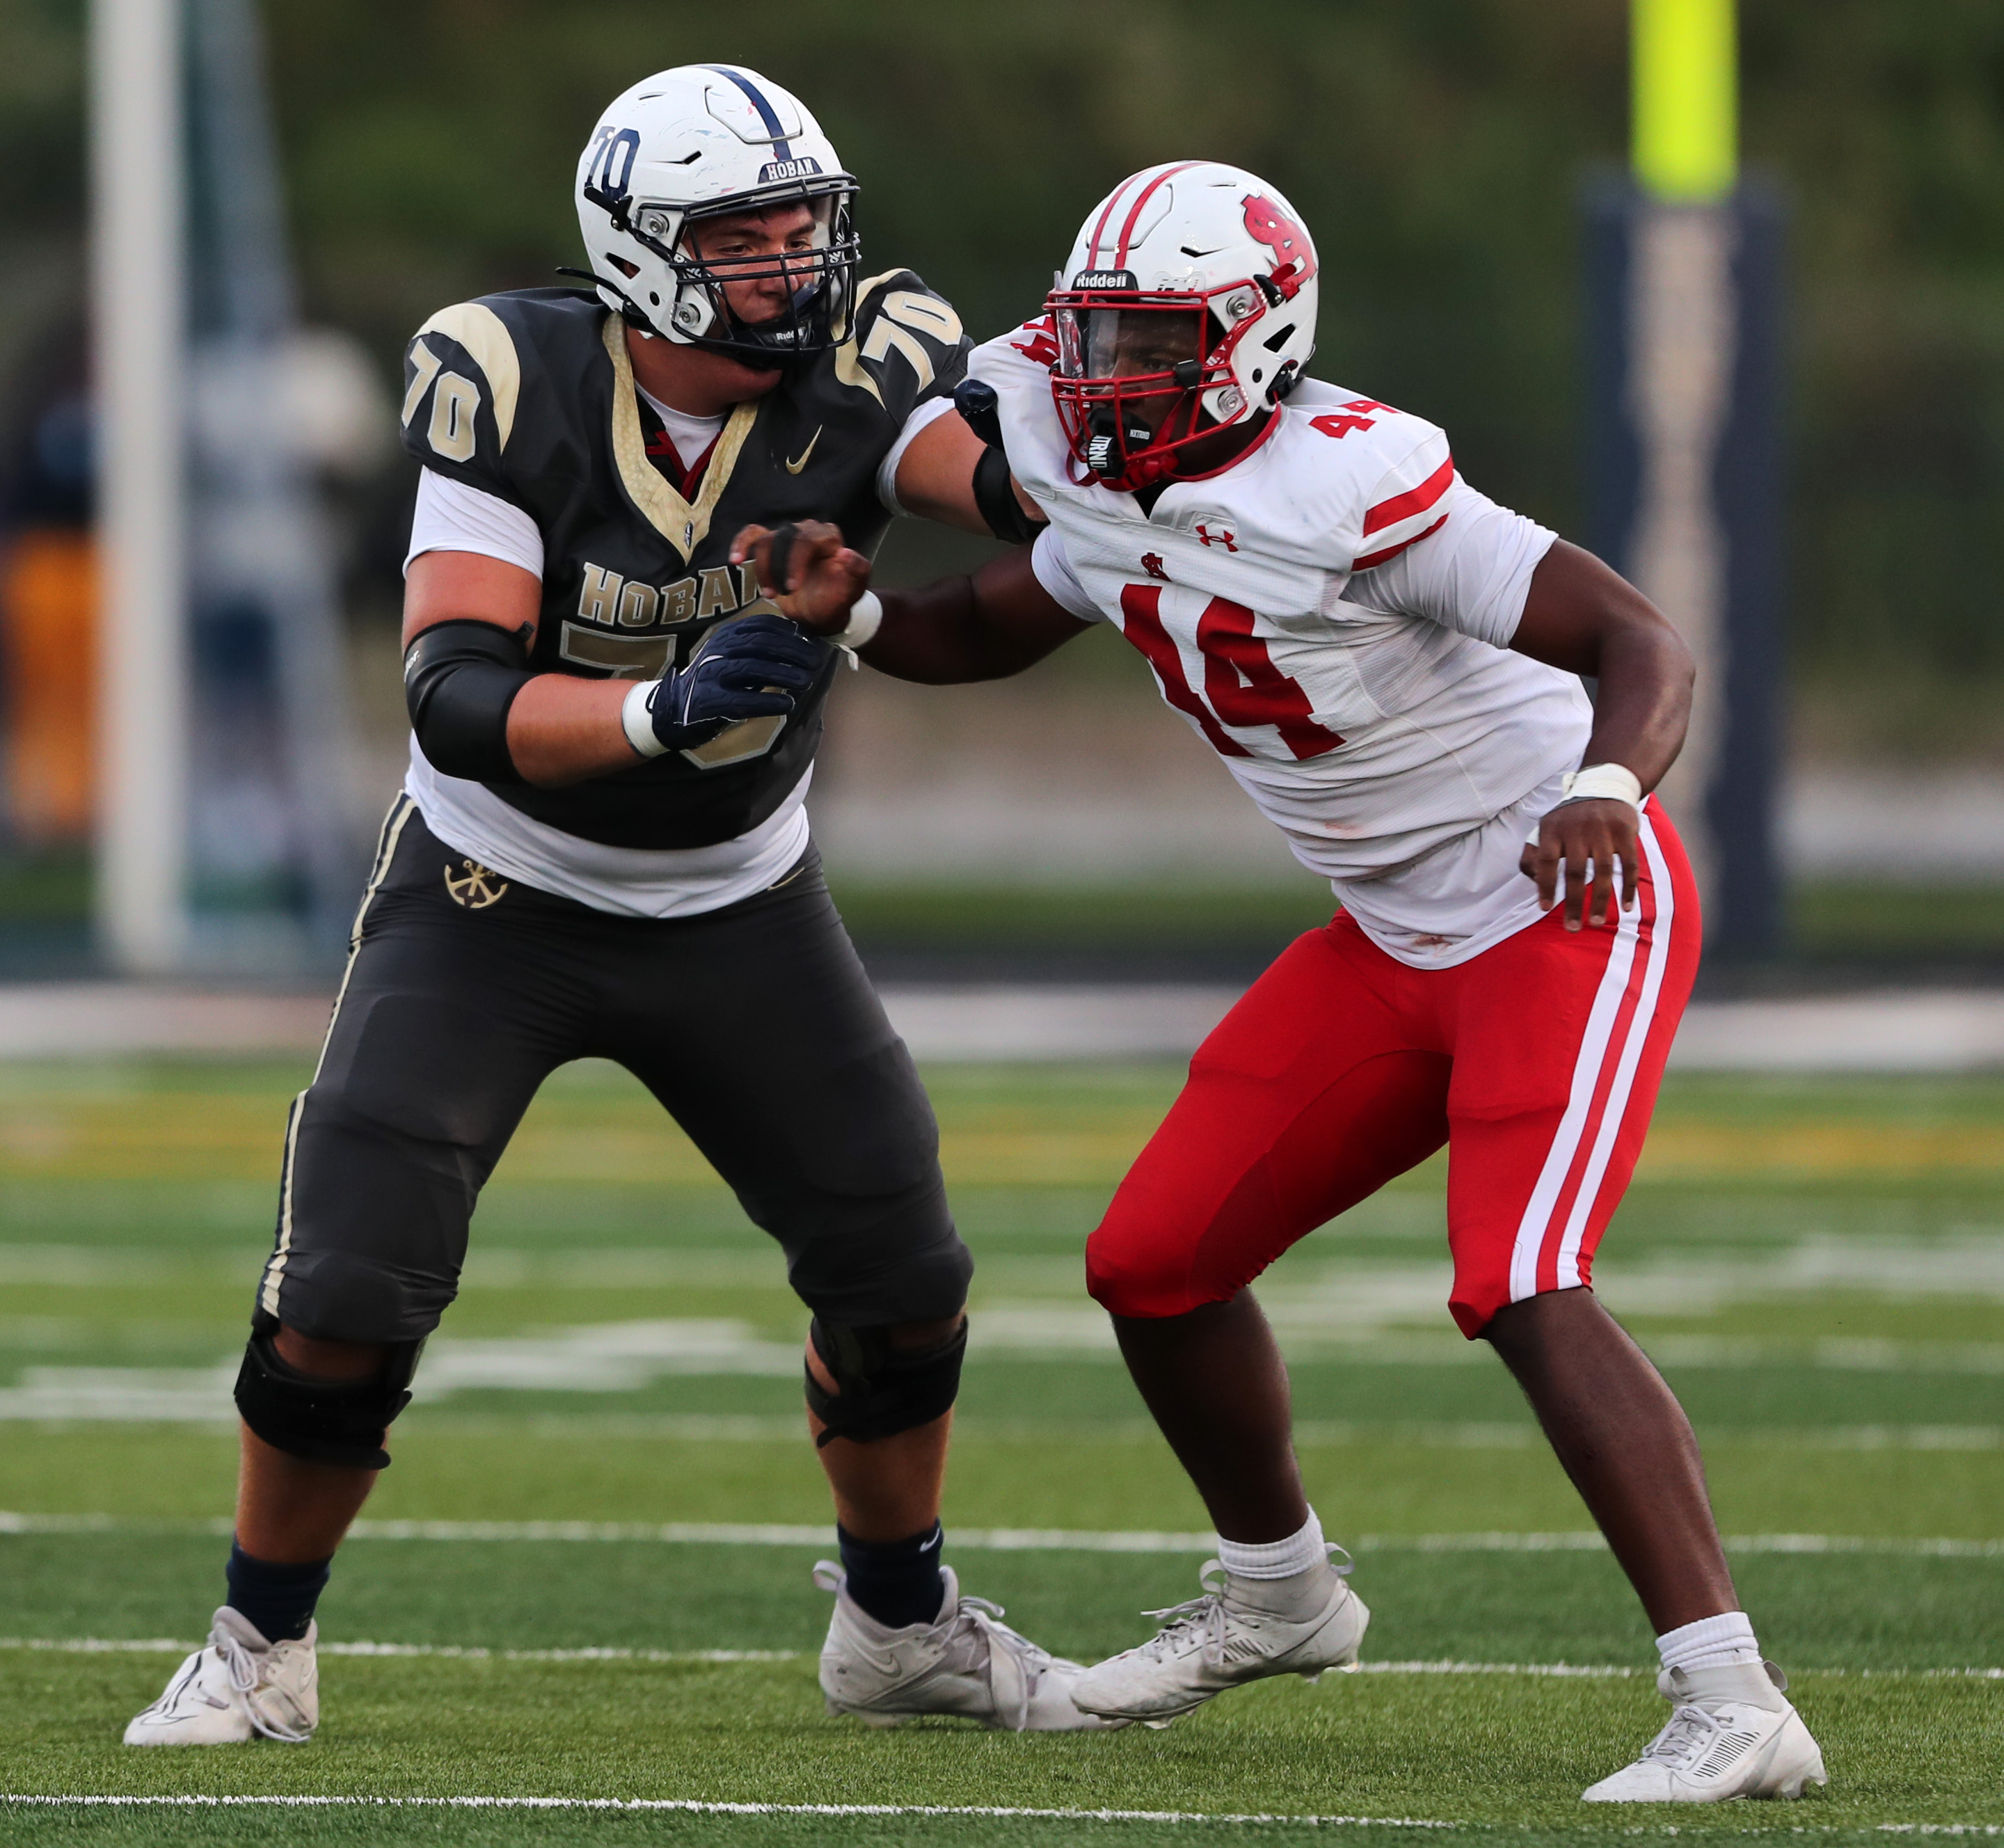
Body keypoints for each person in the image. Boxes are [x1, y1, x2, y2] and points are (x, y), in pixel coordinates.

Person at [733, 160, 1829, 1801]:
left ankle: (1734, 1695)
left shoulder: (1354, 480)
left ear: (1256, 340)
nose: (1108, 378)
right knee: (1154, 1260)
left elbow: (1640, 642)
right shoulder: (1080, 450)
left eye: (1152, 344)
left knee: (1522, 1275)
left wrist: (1607, 788)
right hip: (1388, 934)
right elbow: (1013, 615)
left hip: (1554, 893)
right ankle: (1278, 1590)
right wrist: (866, 622)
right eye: (1096, 337)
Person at [122, 64, 1101, 1748]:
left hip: (741, 892)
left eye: (805, 221)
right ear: (639, 253)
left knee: (900, 1272)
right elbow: (454, 687)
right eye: (747, 232)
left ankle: (898, 1622)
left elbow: (978, 478)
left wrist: (1092, 473)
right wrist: (661, 709)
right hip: (498, 886)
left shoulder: (871, 359)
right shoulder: (510, 376)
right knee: (352, 1275)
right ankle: (255, 1642)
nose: (795, 259)